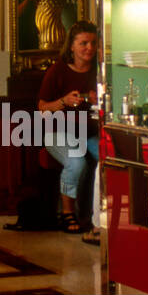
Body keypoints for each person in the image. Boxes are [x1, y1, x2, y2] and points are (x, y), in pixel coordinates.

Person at [37, 20, 100, 238]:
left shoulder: (100, 70)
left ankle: (99, 215)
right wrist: (63, 101)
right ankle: (67, 213)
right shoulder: (58, 71)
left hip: (90, 132)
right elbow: (42, 109)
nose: (89, 48)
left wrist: (98, 100)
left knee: (109, 158)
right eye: (83, 43)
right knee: (76, 160)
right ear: (71, 46)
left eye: (93, 43)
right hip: (57, 132)